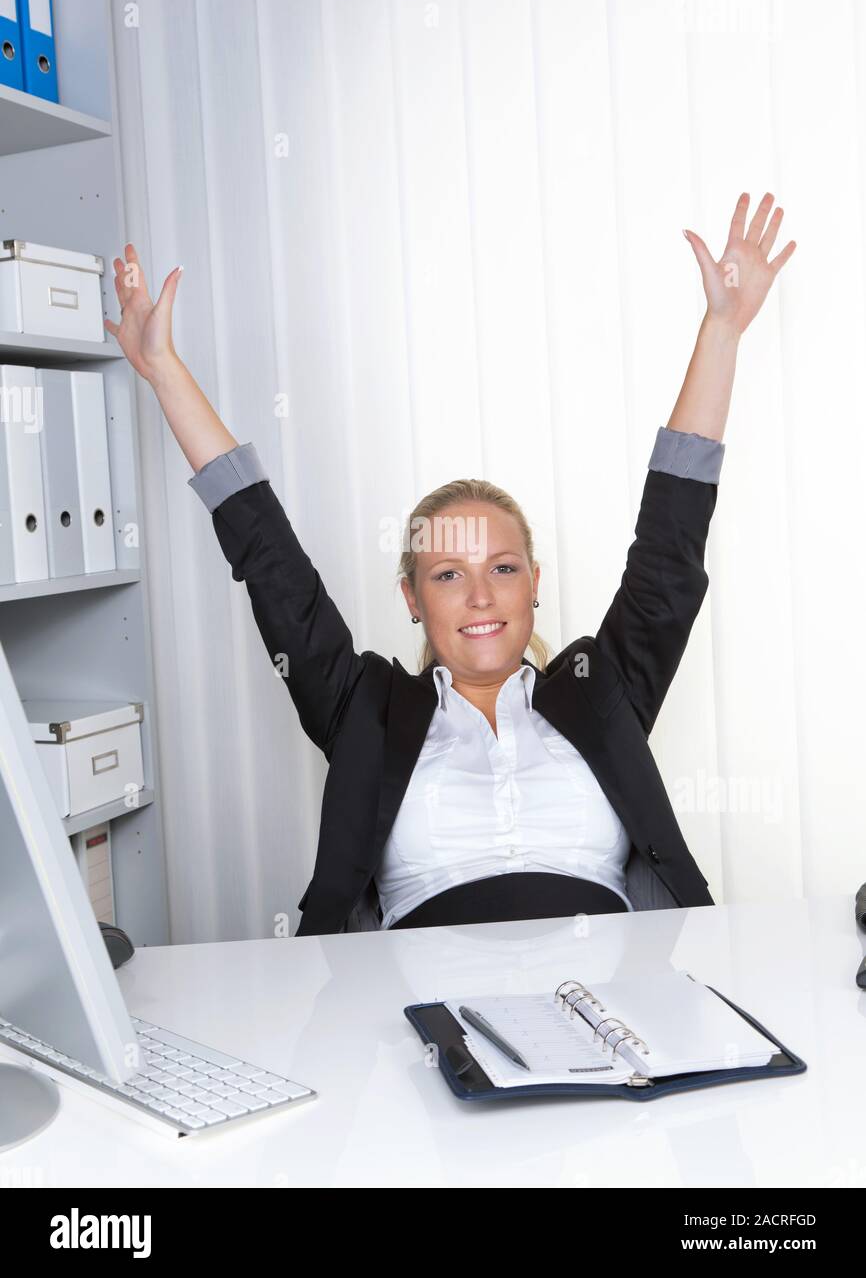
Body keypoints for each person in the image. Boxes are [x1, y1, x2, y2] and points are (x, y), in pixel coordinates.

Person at [106, 192, 795, 934]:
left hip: (614, 1002)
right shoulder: (366, 709)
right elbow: (273, 564)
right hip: (427, 1022)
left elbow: (668, 551)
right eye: (447, 575)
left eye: (502, 568)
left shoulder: (604, 692)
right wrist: (163, 369)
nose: (479, 596)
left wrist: (722, 330)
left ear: (535, 584)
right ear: (410, 595)